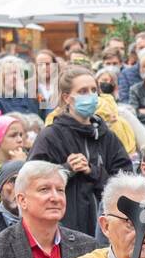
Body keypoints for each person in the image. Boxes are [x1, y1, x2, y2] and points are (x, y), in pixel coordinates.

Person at [29, 67, 133, 235]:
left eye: (93, 90)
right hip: (64, 231)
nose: (90, 96)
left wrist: (93, 171)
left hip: (107, 231)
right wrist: (65, 169)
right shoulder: (51, 136)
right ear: (67, 98)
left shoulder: (107, 136)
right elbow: (32, 181)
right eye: (83, 91)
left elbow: (126, 181)